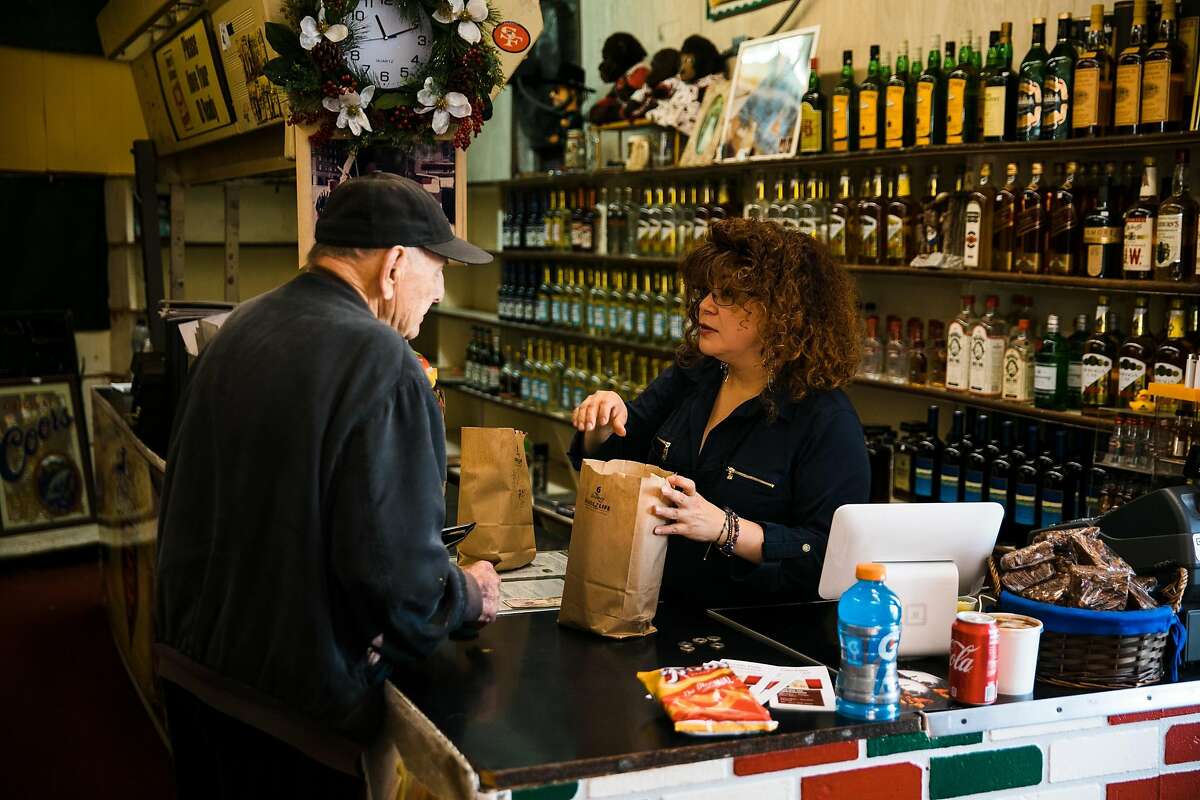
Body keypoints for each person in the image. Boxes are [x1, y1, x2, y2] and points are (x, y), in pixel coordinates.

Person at [154, 173, 501, 799]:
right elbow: (400, 586)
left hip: (192, 677)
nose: (443, 288)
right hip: (289, 714)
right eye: (438, 266)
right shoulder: (384, 363)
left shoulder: (240, 328)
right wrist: (468, 596)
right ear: (394, 264)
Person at [570, 218, 868, 607]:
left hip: (752, 633)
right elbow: (620, 462)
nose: (704, 306)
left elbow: (830, 553)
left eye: (726, 295)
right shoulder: (695, 374)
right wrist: (603, 423)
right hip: (650, 606)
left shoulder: (825, 420)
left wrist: (725, 529)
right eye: (706, 291)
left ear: (782, 312)